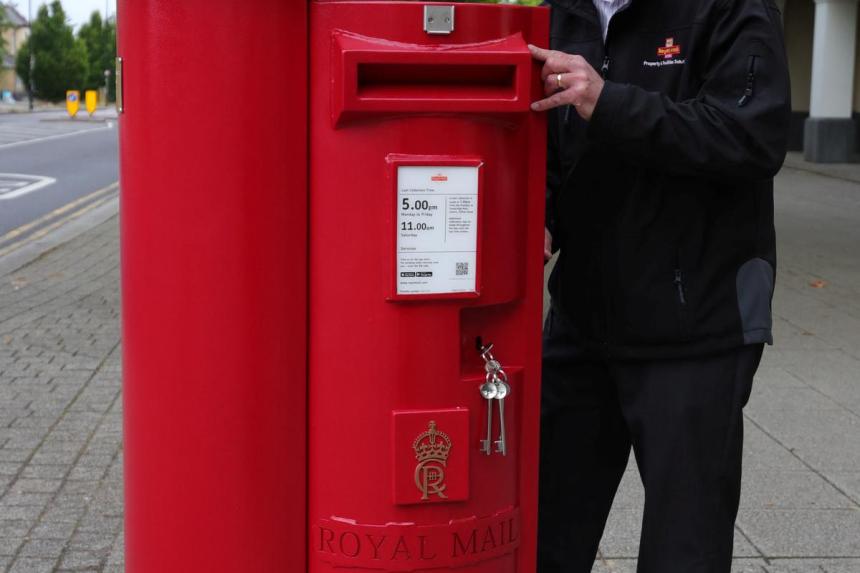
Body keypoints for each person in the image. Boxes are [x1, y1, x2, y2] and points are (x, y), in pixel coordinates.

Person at [528, 0, 790, 571]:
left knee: (684, 549)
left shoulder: (734, 8)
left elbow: (753, 136)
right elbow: (546, 142)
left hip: (697, 327)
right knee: (541, 538)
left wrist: (607, 100)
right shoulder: (562, 12)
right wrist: (539, 213)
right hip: (583, 321)